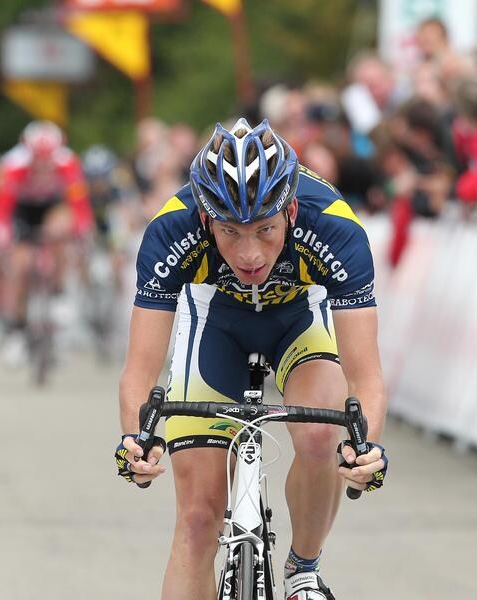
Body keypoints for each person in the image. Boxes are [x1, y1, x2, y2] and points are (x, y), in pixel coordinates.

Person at [116, 118, 389, 600]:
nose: (249, 254)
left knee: (321, 433)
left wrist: (367, 448)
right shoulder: (171, 228)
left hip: (297, 318)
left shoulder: (336, 226)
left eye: (266, 230)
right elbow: (139, 368)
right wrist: (135, 442)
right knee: (197, 520)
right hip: (216, 324)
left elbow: (365, 377)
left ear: (291, 210)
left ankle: (303, 569)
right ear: (206, 221)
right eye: (230, 232)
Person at [0, 120, 93, 363]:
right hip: (23, 210)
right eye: (38, 159)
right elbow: (1, 209)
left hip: (52, 207)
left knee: (60, 229)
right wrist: (0, 234)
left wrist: (81, 230)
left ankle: (58, 292)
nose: (44, 165)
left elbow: (79, 205)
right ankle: (17, 329)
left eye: (48, 159)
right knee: (19, 265)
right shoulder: (13, 165)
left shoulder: (67, 162)